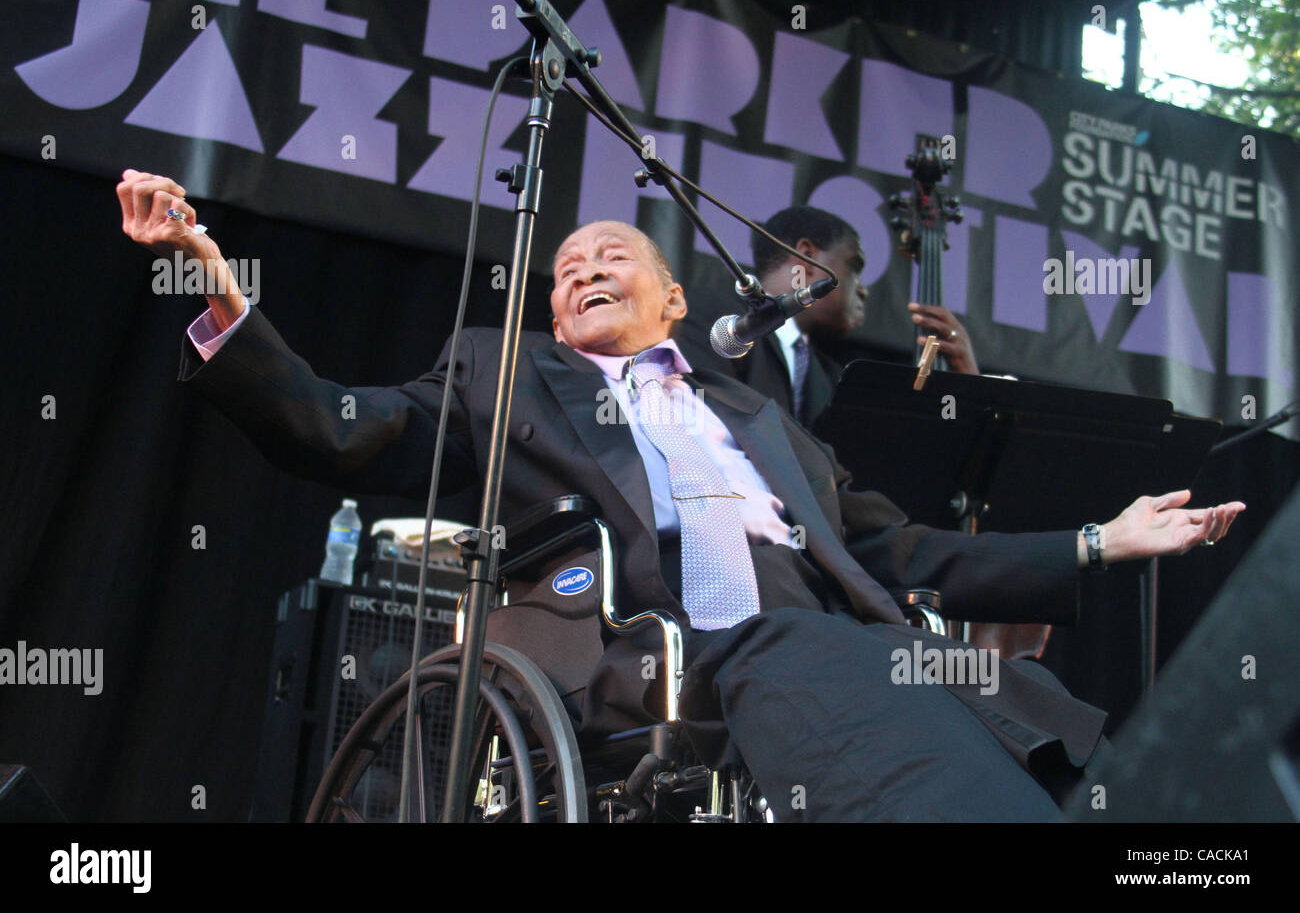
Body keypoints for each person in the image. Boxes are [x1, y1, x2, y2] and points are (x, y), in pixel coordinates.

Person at [117, 169, 1245, 822]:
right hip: (651, 644)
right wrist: (209, 279)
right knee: (815, 657)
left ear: (669, 301)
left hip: (845, 646)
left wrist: (1103, 539)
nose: (581, 272)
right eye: (564, 272)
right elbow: (337, 425)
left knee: (1027, 705)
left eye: (609, 257)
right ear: (554, 317)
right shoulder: (506, 374)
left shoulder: (761, 420)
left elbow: (907, 554)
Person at [679, 205, 979, 428]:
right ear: (806, 258)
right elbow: (700, 425)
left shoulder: (833, 380)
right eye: (856, 267)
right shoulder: (712, 317)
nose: (864, 291)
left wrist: (967, 383)